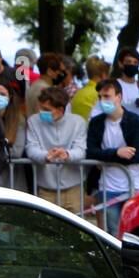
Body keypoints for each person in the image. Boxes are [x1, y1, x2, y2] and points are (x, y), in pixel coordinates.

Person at [87, 79, 139, 232]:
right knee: (112, 233)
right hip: (107, 187)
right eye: (100, 97)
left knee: (136, 231)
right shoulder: (96, 122)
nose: (102, 101)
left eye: (107, 96)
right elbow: (91, 152)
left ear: (119, 97)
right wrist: (117, 152)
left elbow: (138, 155)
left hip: (135, 185)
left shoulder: (136, 121)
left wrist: (105, 156)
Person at [24, 85, 86, 214]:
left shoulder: (78, 122)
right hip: (45, 188)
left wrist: (67, 154)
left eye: (46, 109)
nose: (41, 111)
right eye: (40, 107)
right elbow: (31, 147)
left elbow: (81, 150)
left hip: (73, 188)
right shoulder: (33, 121)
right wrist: (45, 156)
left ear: (60, 109)